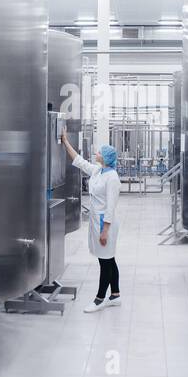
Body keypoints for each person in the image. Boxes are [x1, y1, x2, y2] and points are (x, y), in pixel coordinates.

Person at [60, 130, 121, 313]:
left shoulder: (112, 178)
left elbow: (110, 207)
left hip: (105, 223)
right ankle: (115, 295)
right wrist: (65, 141)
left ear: (106, 157)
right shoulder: (98, 171)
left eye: (100, 152)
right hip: (97, 221)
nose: (96, 153)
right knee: (109, 259)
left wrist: (105, 231)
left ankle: (100, 299)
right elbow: (79, 161)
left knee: (105, 261)